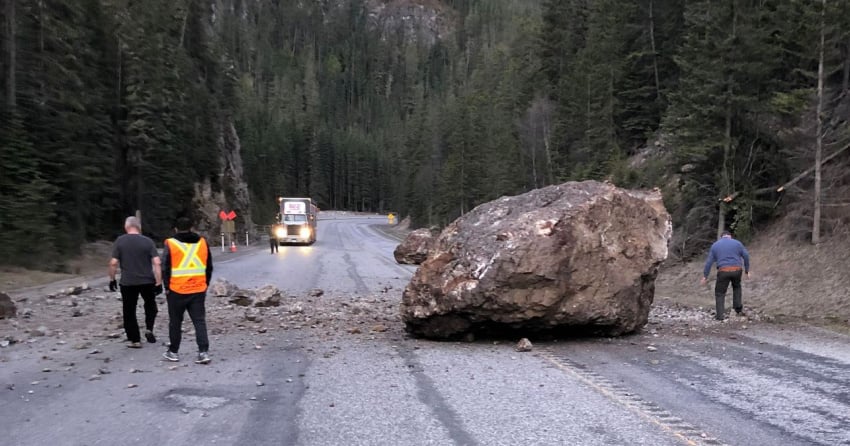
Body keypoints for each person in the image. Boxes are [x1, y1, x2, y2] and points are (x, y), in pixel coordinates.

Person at [161, 217, 213, 364]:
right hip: (198, 289)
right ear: (192, 227)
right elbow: (209, 266)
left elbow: (165, 267)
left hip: (176, 290)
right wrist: (205, 284)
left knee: (175, 322)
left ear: (175, 229)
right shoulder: (202, 242)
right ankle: (203, 352)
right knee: (199, 321)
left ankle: (173, 352)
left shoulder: (170, 243)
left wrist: (167, 287)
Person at [108, 216, 163, 348]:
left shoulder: (120, 241)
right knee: (150, 306)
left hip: (128, 282)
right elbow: (157, 262)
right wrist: (159, 282)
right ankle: (149, 328)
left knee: (129, 310)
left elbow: (113, 263)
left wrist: (112, 279)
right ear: (139, 227)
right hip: (147, 281)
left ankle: (135, 339)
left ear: (126, 227)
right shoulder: (148, 242)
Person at [701, 230, 751, 320]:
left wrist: (705, 276)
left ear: (721, 237)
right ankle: (738, 308)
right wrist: (747, 270)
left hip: (723, 271)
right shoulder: (737, 243)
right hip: (737, 269)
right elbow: (746, 255)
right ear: (730, 236)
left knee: (720, 293)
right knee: (736, 287)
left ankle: (720, 316)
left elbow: (709, 262)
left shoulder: (715, 245)